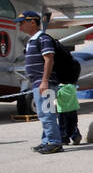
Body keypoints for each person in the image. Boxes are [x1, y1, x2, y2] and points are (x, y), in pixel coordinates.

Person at [18, 11, 62, 154]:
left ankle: (54, 142)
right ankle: (46, 141)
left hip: (45, 84)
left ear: (32, 22)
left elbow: (49, 59)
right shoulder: (32, 40)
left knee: (47, 113)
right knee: (44, 113)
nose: (19, 25)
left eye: (22, 22)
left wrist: (44, 81)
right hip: (39, 83)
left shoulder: (42, 39)